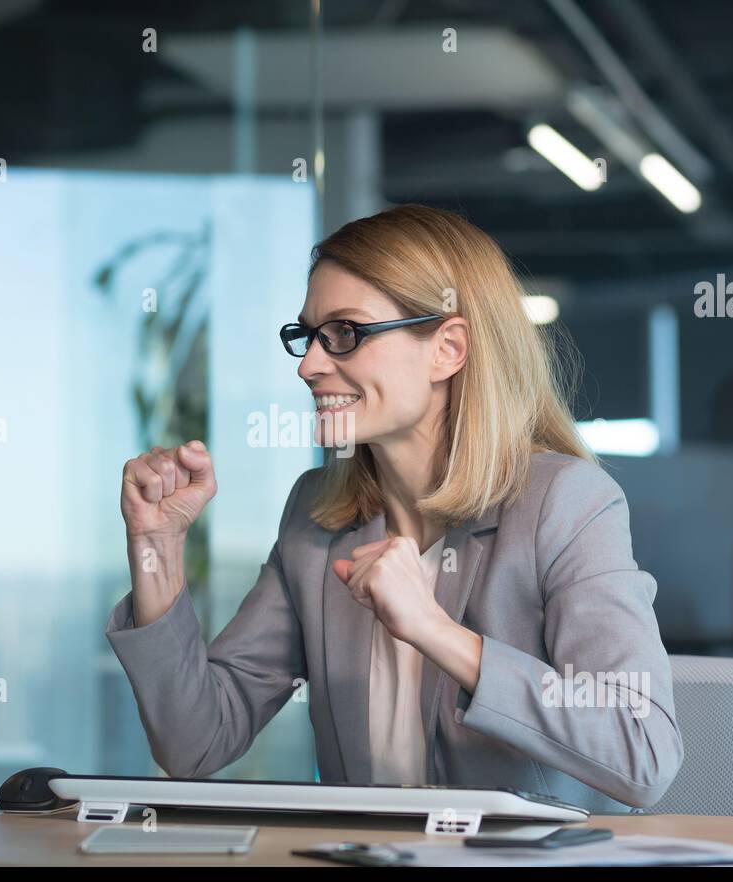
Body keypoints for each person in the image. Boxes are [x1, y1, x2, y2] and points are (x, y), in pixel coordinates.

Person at [108, 203, 683, 811]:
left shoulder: (564, 504)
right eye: (306, 336)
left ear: (448, 349)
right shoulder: (317, 518)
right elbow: (195, 742)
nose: (309, 365)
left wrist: (435, 630)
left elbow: (642, 751)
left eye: (346, 333)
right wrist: (157, 549)